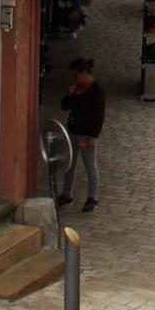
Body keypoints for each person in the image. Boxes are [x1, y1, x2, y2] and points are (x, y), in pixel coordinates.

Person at [60, 57, 105, 212]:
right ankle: (67, 195)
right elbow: (65, 106)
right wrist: (70, 95)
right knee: (70, 164)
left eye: (76, 75)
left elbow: (99, 116)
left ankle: (92, 198)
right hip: (72, 130)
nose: (74, 78)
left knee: (90, 166)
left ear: (85, 73)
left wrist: (93, 136)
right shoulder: (76, 88)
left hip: (86, 135)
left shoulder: (96, 92)